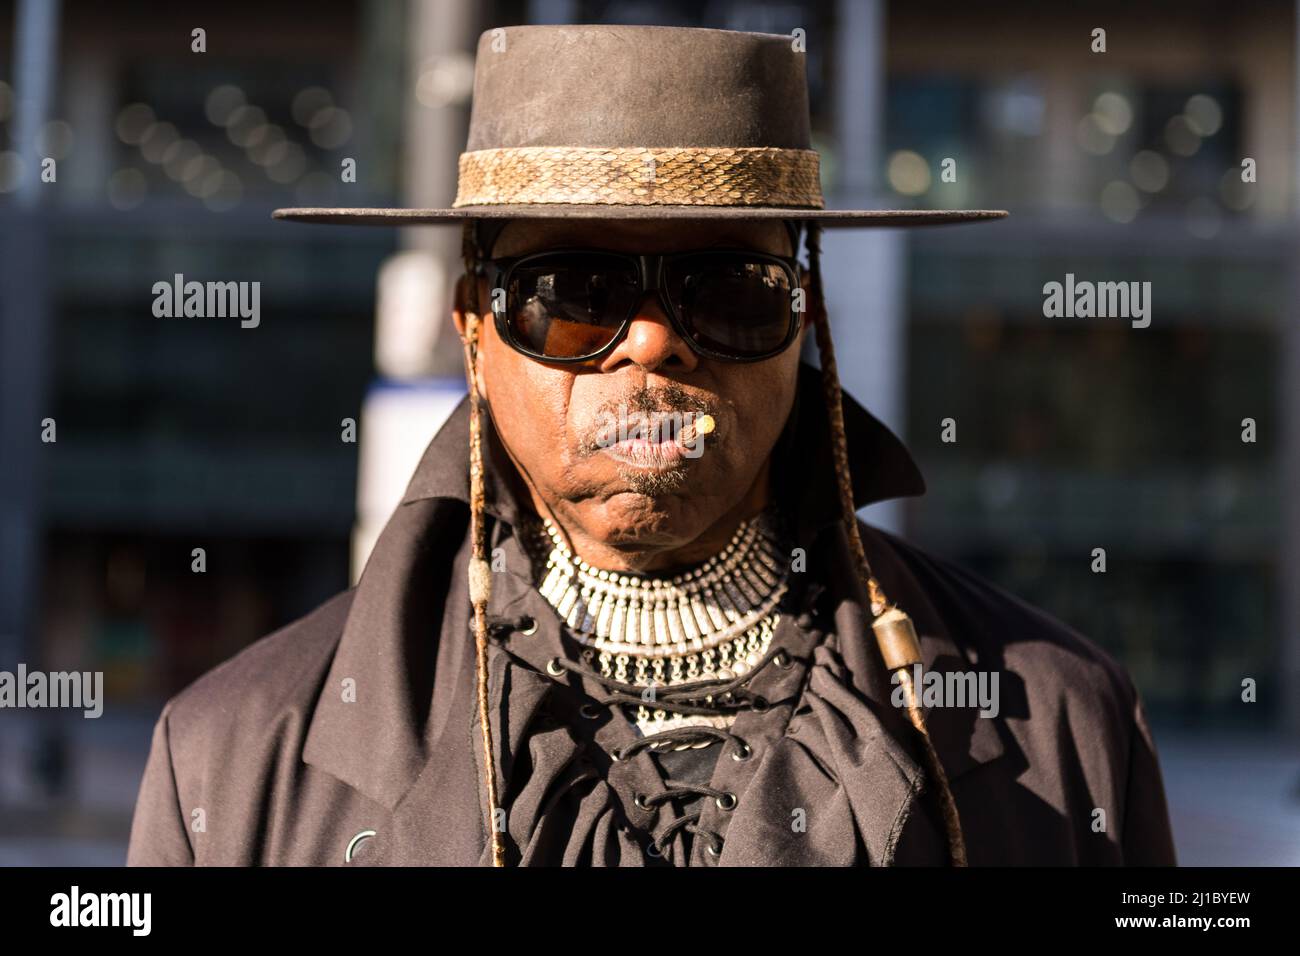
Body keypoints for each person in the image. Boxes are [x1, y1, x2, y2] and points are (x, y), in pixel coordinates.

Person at [126, 23, 1176, 866]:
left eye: (726, 290)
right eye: (570, 295)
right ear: (473, 326)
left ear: (804, 319)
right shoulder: (230, 758)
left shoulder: (1060, 717)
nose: (652, 341)